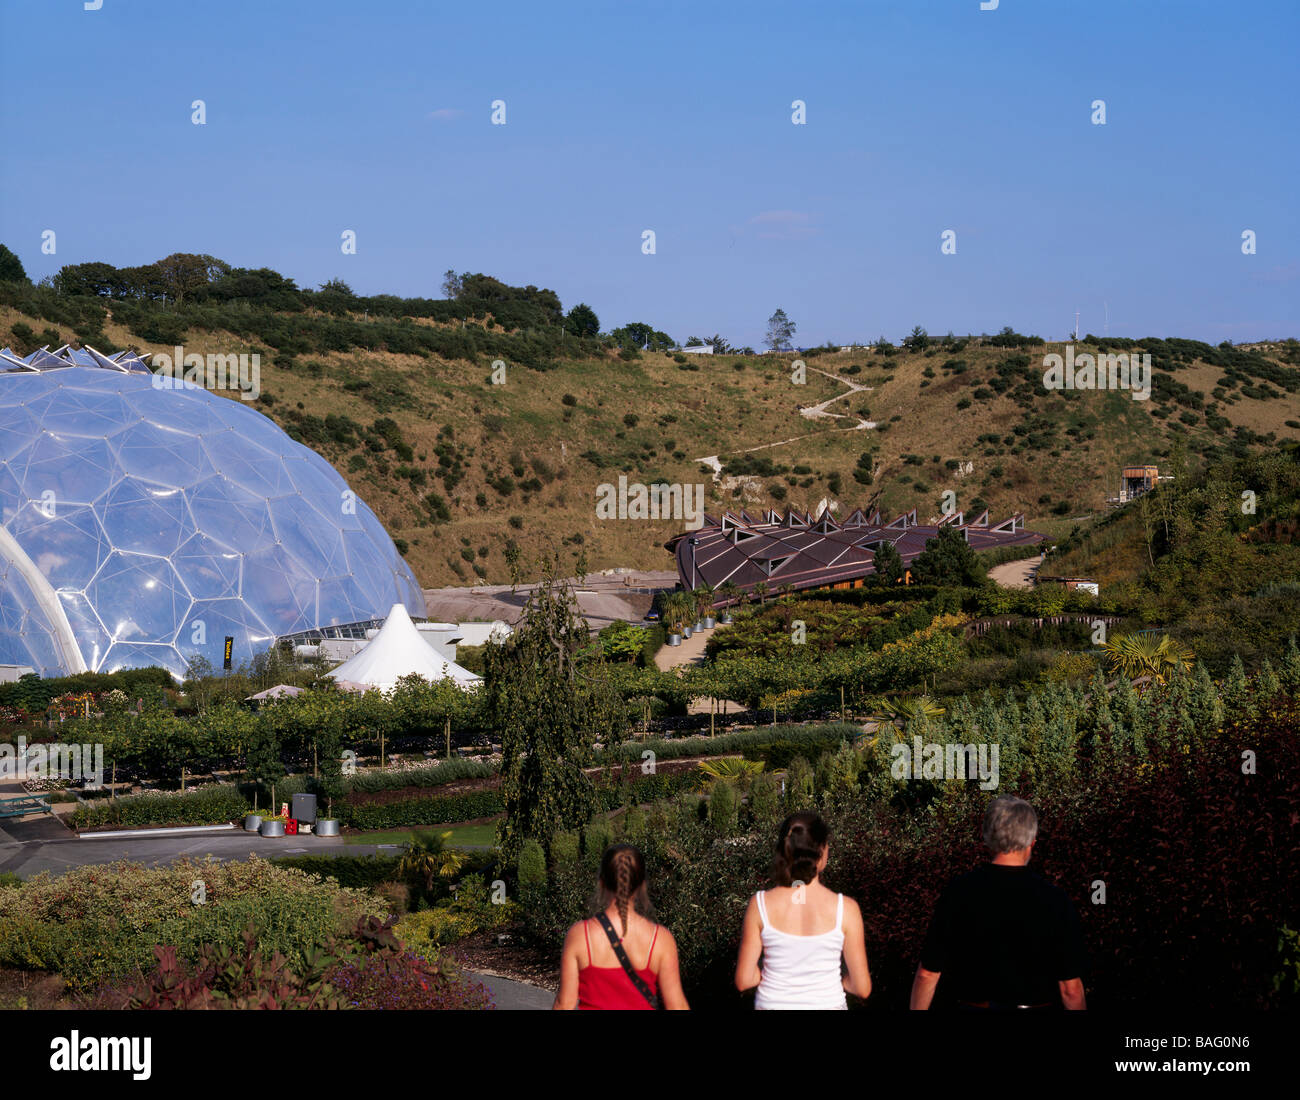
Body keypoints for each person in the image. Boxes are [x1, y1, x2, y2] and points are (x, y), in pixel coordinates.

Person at [910, 795, 1087, 1010]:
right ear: (1032, 841)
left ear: (986, 838)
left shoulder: (958, 892)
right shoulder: (1055, 899)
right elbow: (1071, 988)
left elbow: (927, 973)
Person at [735, 811, 872, 1009]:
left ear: (784, 850)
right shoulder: (847, 909)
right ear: (822, 851)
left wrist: (771, 975)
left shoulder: (760, 905)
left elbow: (744, 980)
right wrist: (834, 982)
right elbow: (862, 988)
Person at [554, 843, 689, 1010]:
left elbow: (565, 1003)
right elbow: (677, 1005)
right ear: (642, 885)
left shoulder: (580, 935)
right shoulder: (660, 939)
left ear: (601, 882)